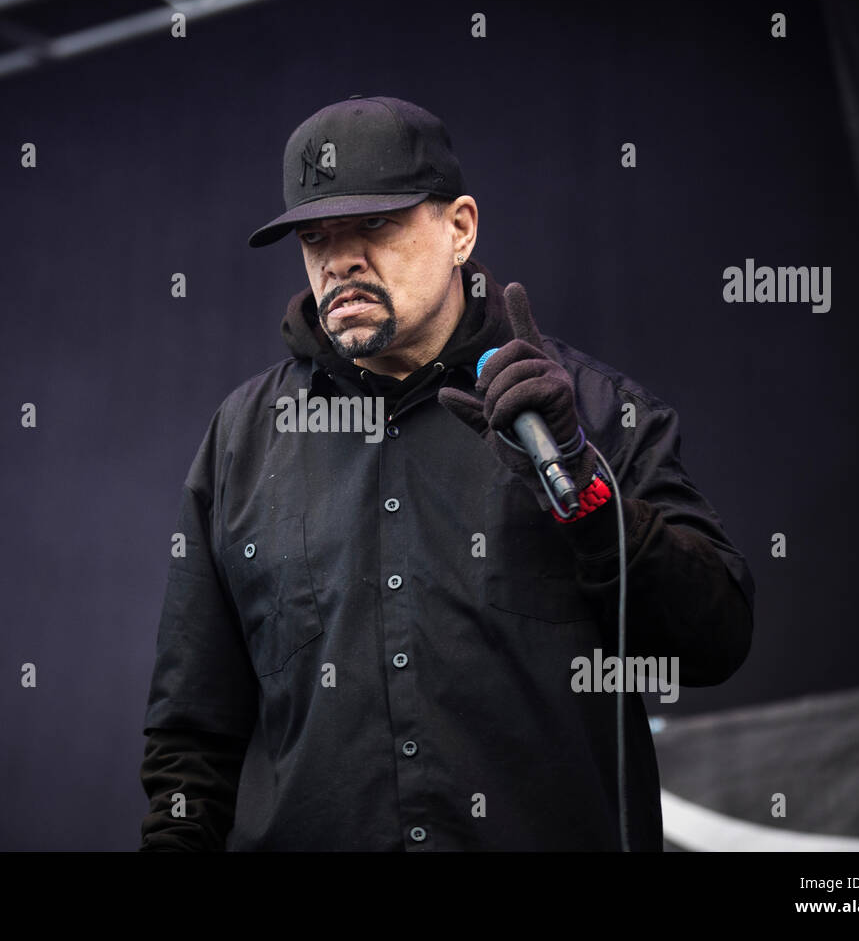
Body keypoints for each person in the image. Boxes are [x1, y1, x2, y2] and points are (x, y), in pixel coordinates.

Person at [138, 95, 754, 851]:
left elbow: (716, 643)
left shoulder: (593, 409)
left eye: (375, 224)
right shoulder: (241, 440)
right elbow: (191, 737)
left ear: (460, 227)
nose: (340, 259)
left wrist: (583, 488)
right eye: (315, 235)